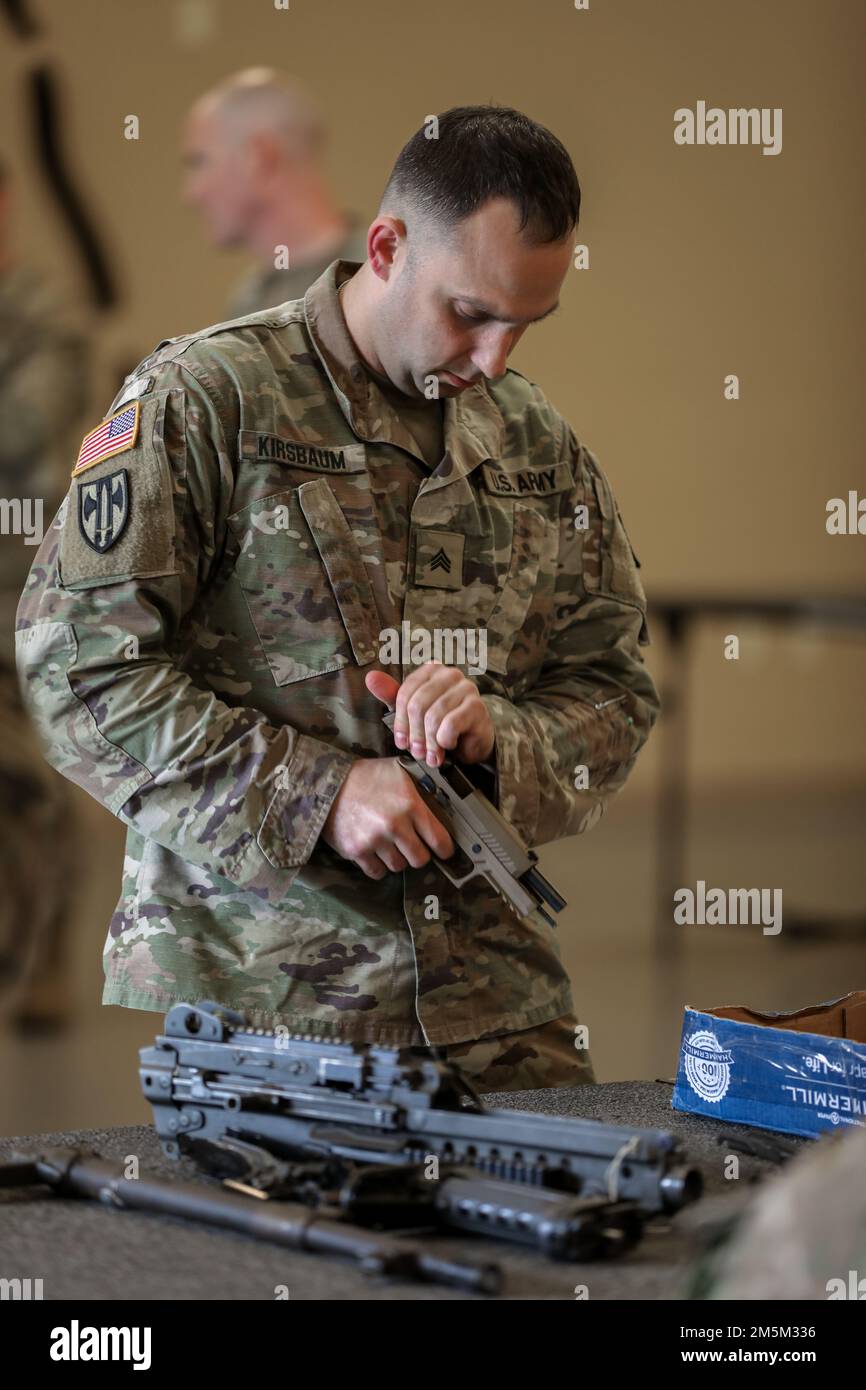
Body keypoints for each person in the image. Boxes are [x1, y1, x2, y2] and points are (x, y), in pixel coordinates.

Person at [16, 105, 659, 1091]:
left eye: (525, 322)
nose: (494, 360)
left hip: (499, 1006)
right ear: (386, 246)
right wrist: (318, 794)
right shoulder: (207, 400)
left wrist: (503, 736)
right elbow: (78, 672)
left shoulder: (533, 440)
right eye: (471, 313)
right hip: (269, 1013)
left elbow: (612, 688)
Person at [0, 159, 89, 1027]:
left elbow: (30, 448)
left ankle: (46, 964)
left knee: (36, 789)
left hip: (26, 598)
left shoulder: (42, 327)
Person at [182, 68, 368, 317]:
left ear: (258, 158)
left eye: (200, 162)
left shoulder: (377, 277)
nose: (192, 193)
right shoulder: (248, 303)